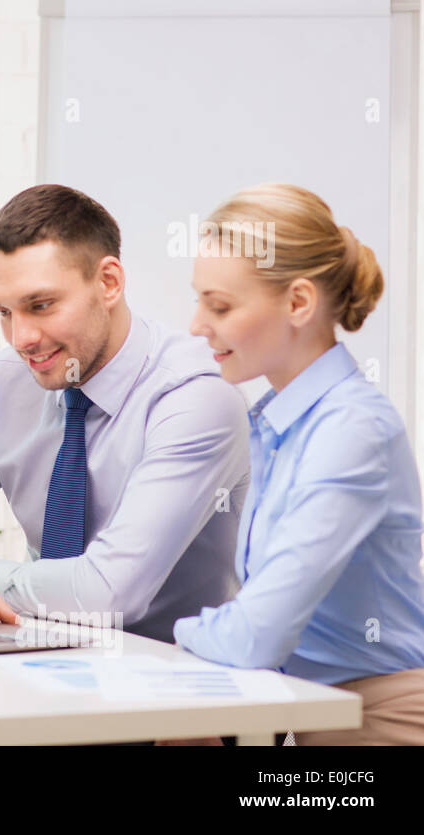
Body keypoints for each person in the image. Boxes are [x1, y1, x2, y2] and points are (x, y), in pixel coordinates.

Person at [0, 184, 250, 642]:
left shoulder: (194, 400)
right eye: (4, 312)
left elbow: (109, 594)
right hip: (43, 658)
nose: (21, 338)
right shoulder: (7, 382)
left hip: (176, 680)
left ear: (109, 282)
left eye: (41, 306)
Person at [174, 183, 424, 745]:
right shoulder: (280, 424)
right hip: (315, 712)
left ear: (298, 304)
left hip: (380, 721)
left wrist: (174, 631)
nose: (196, 325)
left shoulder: (351, 430)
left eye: (218, 305)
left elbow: (254, 636)